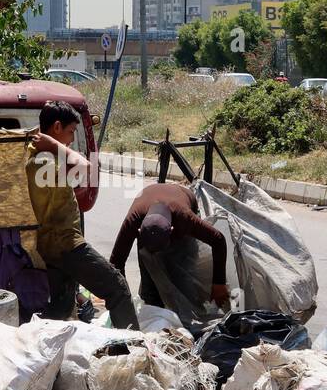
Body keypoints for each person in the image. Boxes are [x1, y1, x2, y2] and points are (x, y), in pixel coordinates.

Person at [26, 100, 139, 329]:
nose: (70, 139)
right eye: (70, 132)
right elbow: (87, 167)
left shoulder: (37, 156)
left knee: (61, 308)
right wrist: (53, 144)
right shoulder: (45, 159)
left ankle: (45, 354)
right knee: (117, 288)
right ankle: (135, 349)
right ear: (56, 127)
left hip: (50, 245)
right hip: (66, 244)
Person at [109, 182, 230, 313]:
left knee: (183, 279)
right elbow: (117, 262)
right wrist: (121, 298)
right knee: (150, 287)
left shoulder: (185, 219)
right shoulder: (133, 221)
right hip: (149, 200)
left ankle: (185, 315)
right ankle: (156, 314)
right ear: (139, 230)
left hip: (180, 204)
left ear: (172, 230)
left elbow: (218, 239)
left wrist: (219, 283)